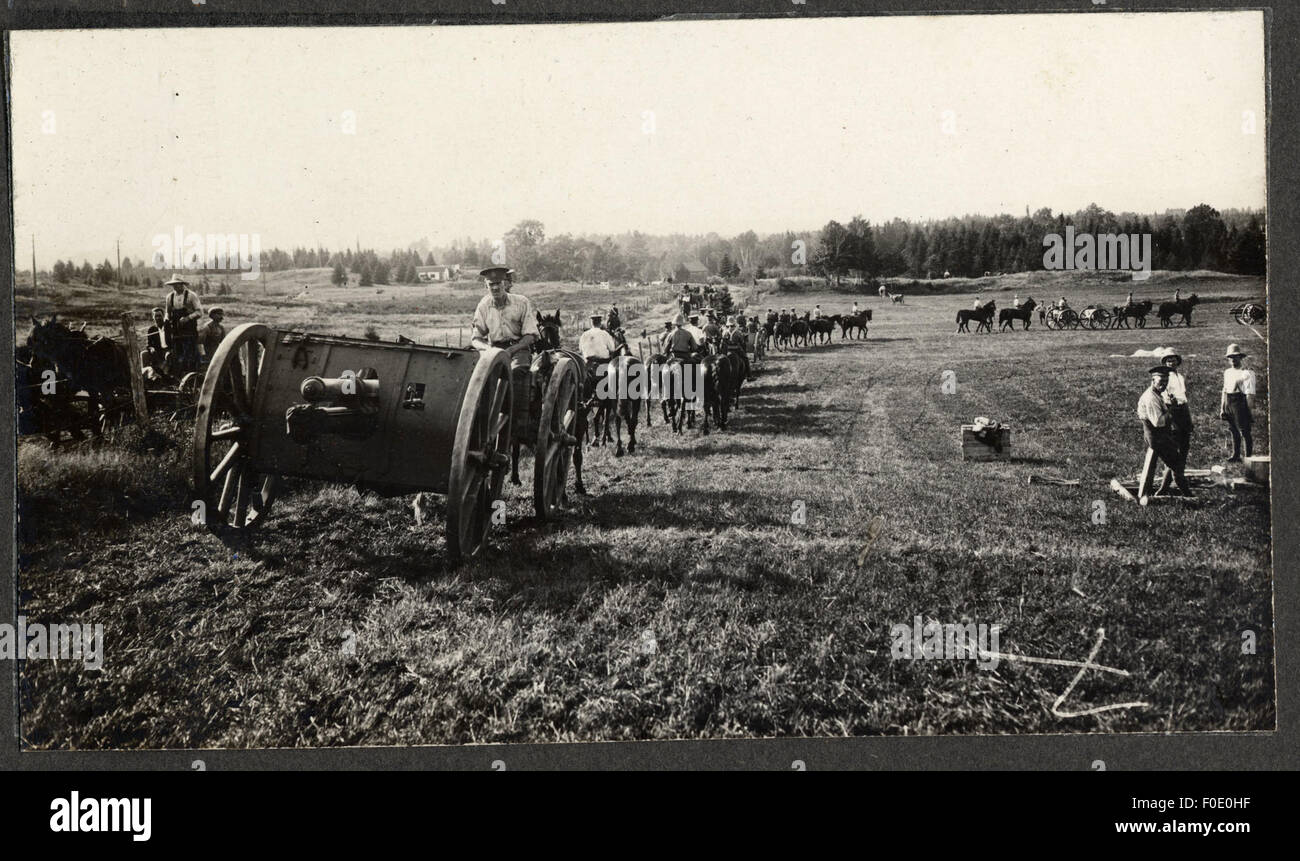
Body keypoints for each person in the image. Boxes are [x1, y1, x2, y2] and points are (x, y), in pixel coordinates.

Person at [470, 267, 538, 433]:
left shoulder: (521, 302)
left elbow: (530, 335)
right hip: (493, 350)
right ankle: (479, 421)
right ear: (486, 286)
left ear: (505, 283)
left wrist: (513, 349)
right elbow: (475, 338)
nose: (494, 288)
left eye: (498, 283)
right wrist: (488, 349)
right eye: (490, 284)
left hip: (518, 349)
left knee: (515, 374)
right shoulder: (484, 305)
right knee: (477, 378)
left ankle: (514, 422)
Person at [1137, 365, 1192, 497]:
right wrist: (1171, 409)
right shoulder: (1151, 398)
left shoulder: (1156, 393)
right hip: (1156, 437)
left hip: (1160, 436)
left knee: (1175, 462)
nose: (1163, 385)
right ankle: (1188, 496)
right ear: (1153, 381)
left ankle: (1163, 490)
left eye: (1166, 382)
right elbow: (1158, 422)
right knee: (1177, 464)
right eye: (1161, 382)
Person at [1158, 352, 1192, 493]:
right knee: (1174, 446)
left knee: (1185, 444)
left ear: (1178, 362)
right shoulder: (1165, 378)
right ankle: (1170, 482)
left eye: (1173, 360)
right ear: (1165, 363)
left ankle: (1174, 478)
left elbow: (1182, 395)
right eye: (1168, 361)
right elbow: (1161, 394)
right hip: (1172, 410)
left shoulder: (1180, 377)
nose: (1171, 363)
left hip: (1183, 409)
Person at [1220, 344, 1256, 462]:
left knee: (1244, 430)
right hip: (1229, 401)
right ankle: (1236, 454)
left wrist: (1249, 409)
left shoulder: (1246, 372)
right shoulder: (1227, 372)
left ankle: (1248, 457)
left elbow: (1250, 392)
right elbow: (1225, 390)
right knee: (1233, 429)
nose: (1233, 359)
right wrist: (1223, 407)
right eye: (1230, 357)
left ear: (1241, 357)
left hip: (1240, 401)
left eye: (1235, 357)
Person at [162, 275, 203, 374]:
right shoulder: (169, 297)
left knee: (190, 354)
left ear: (182, 284)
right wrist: (166, 319)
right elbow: (167, 312)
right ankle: (179, 375)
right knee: (177, 353)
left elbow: (199, 312)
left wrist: (188, 318)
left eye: (177, 284)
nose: (175, 287)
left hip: (189, 330)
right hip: (176, 330)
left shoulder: (191, 296)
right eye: (173, 285)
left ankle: (193, 375)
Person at [579, 312, 618, 380]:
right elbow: (612, 349)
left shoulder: (584, 334)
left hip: (589, 364)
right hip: (603, 362)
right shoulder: (605, 334)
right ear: (600, 323)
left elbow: (580, 349)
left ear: (591, 323)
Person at [143, 307, 169, 381]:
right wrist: (151, 348)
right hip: (158, 352)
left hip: (169, 351)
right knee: (144, 354)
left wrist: (170, 350)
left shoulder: (169, 327)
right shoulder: (152, 330)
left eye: (159, 316)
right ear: (153, 318)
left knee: (168, 356)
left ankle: (165, 377)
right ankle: (147, 376)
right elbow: (149, 344)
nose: (158, 318)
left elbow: (174, 342)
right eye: (156, 316)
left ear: (163, 316)